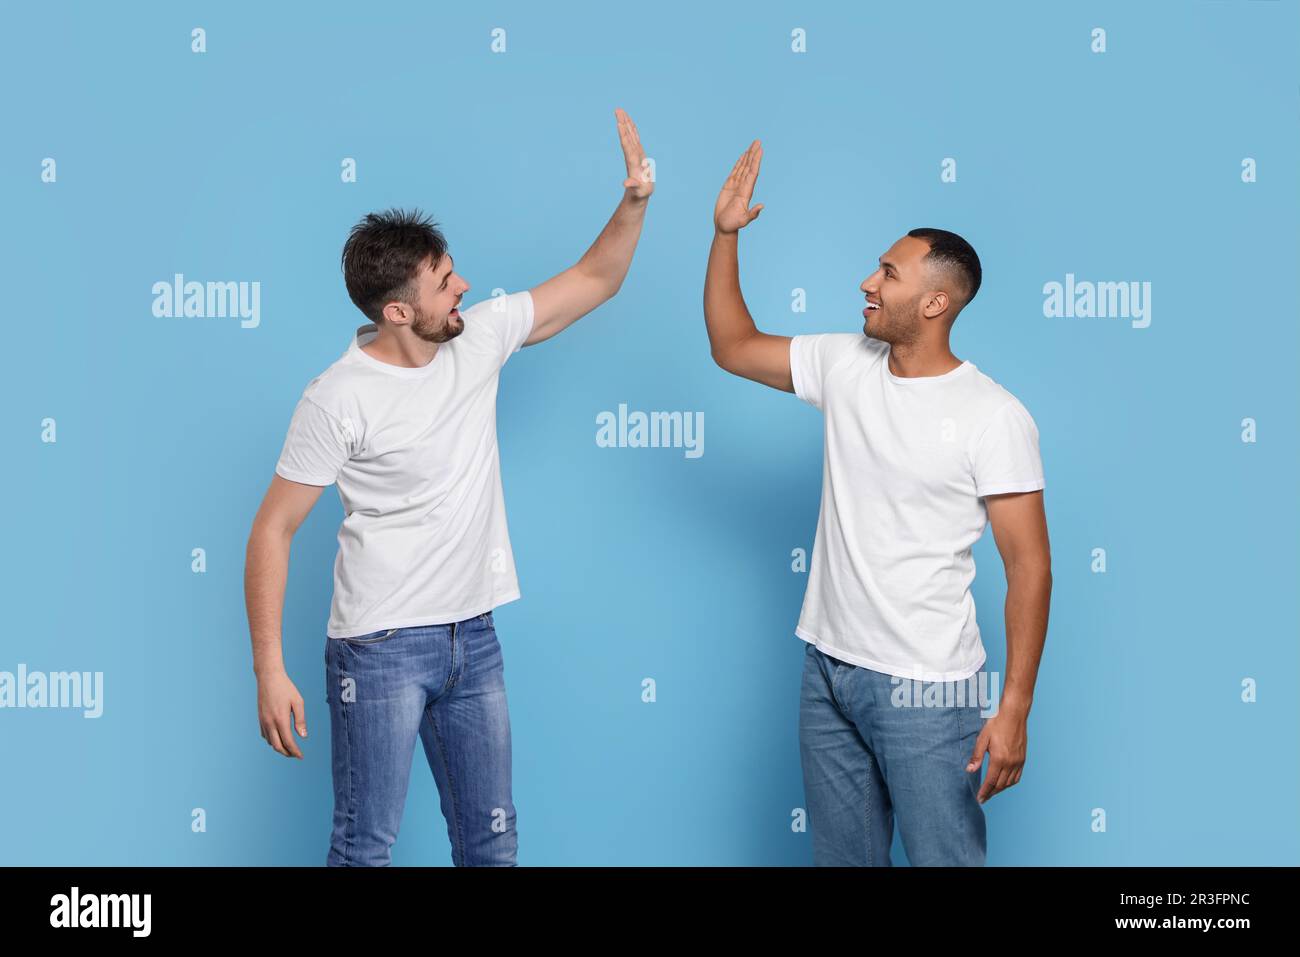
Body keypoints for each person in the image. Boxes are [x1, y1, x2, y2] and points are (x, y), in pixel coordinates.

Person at [244, 108, 653, 866]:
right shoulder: (336, 397)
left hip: (476, 637)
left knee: (493, 844)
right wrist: (270, 668)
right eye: (444, 281)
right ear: (398, 311)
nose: (464, 283)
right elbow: (273, 527)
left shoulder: (480, 337)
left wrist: (633, 200)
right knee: (365, 846)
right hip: (380, 649)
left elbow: (597, 278)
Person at [702, 140, 1052, 866]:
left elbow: (1031, 567)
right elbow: (732, 345)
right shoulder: (844, 364)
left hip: (927, 688)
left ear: (934, 301)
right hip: (827, 667)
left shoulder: (994, 416)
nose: (867, 281)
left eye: (887, 274)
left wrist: (1012, 708)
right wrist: (726, 233)